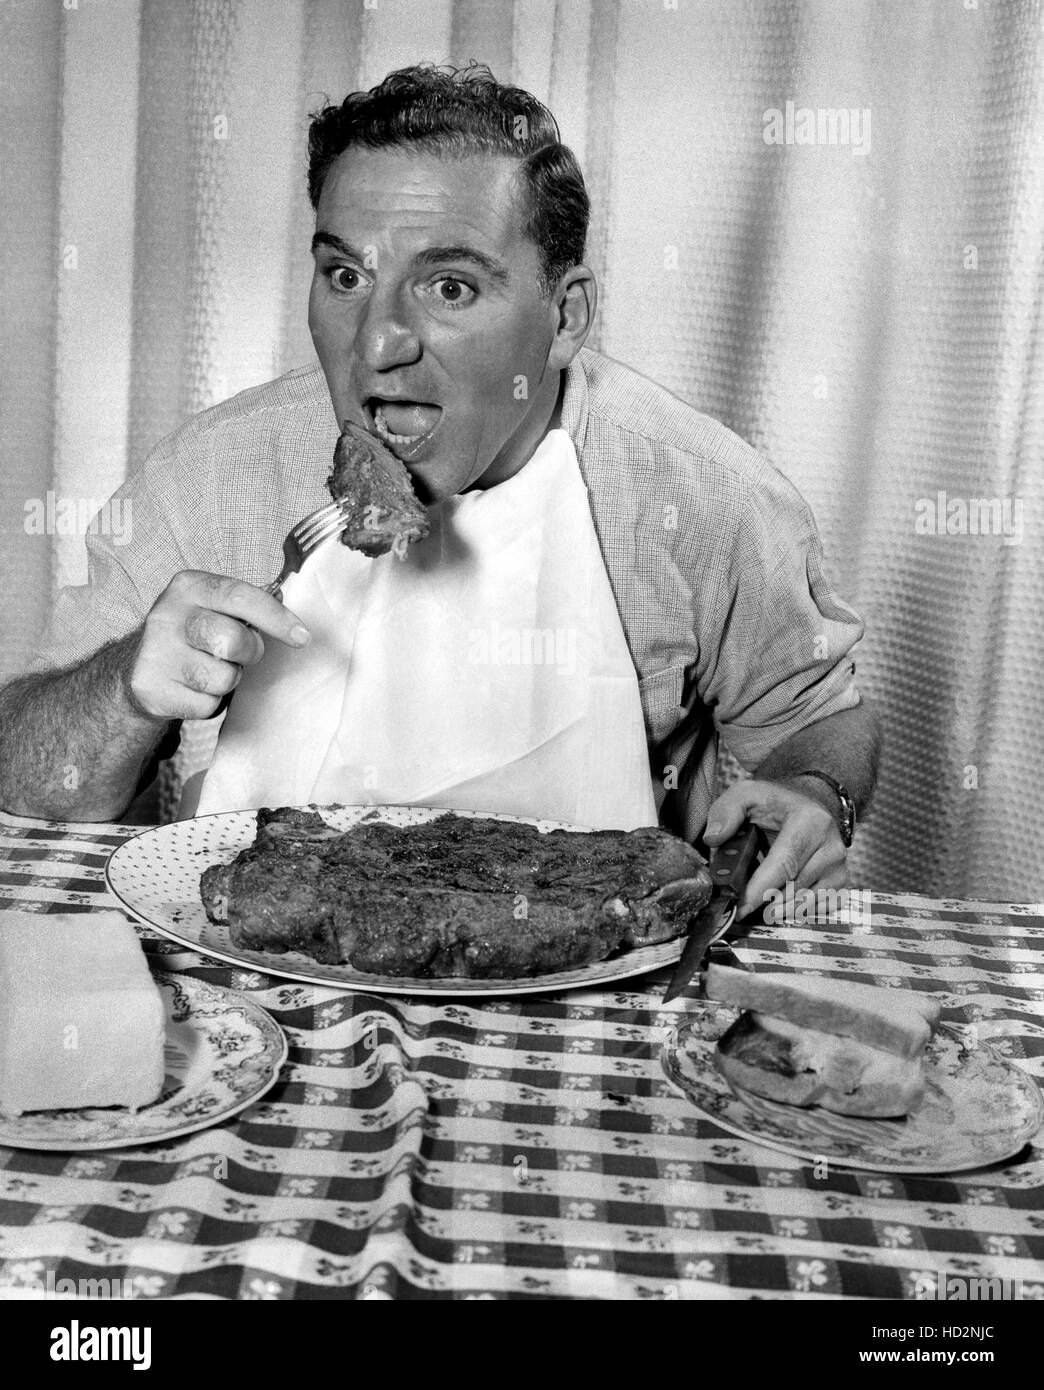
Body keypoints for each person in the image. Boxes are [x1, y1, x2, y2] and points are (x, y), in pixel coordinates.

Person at [0, 64, 879, 922]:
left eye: (449, 286)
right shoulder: (209, 476)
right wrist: (125, 690)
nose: (378, 342)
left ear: (565, 316)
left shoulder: (707, 499)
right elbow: (26, 780)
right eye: (346, 276)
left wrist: (813, 792)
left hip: (591, 1002)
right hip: (253, 975)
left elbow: (819, 717)